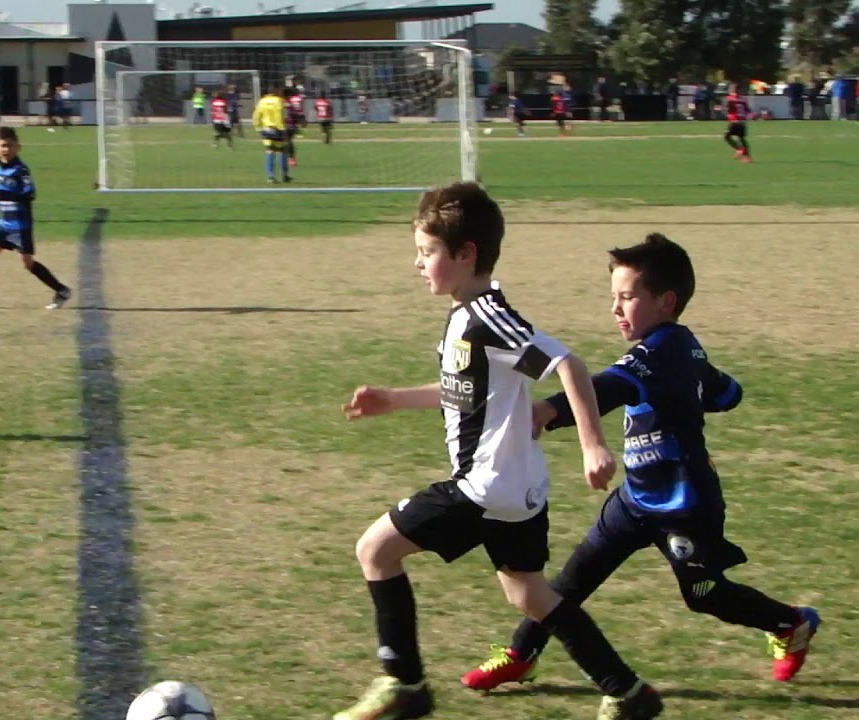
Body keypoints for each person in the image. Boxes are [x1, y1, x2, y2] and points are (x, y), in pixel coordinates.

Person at [333, 181, 662, 720]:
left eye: (427, 252)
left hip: (484, 488)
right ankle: (628, 692)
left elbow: (567, 365)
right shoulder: (467, 320)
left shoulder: (490, 319)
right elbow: (464, 388)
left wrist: (592, 444)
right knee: (530, 595)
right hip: (518, 492)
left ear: (466, 255)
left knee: (376, 551)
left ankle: (405, 684)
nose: (418, 264)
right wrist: (392, 399)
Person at [461, 233, 822, 692]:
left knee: (705, 595)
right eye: (613, 296)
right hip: (635, 500)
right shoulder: (683, 348)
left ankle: (791, 623)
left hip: (684, 505)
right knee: (570, 581)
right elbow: (725, 392)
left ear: (666, 301)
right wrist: (705, 396)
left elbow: (609, 387)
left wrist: (548, 411)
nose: (615, 308)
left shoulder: (657, 352)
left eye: (627, 297)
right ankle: (521, 654)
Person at [0, 127, 71, 311]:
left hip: (20, 224)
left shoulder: (21, 169)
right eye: (2, 145)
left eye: (10, 145)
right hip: (4, 222)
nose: (6, 149)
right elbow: (6, 196)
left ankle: (62, 290)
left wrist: (4, 196)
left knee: (28, 263)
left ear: (18, 147)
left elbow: (30, 194)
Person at [252, 87, 290, 184]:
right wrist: (283, 129)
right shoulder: (280, 100)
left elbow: (256, 116)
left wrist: (258, 128)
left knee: (269, 151)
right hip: (278, 128)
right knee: (282, 151)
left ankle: (271, 176)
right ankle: (284, 175)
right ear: (276, 91)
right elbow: (281, 115)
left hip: (266, 129)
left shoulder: (261, 101)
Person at [724, 88, 752, 162]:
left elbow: (725, 108)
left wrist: (728, 114)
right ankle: (747, 157)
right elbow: (748, 111)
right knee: (742, 138)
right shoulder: (743, 100)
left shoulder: (729, 99)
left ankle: (739, 149)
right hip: (742, 122)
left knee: (727, 137)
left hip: (734, 121)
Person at [284, 84, 306, 167]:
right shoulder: (290, 102)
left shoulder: (284, 102)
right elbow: (295, 113)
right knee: (288, 142)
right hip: (291, 124)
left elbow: (292, 113)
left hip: (285, 125)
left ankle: (290, 159)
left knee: (287, 142)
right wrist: (301, 119)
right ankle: (291, 158)